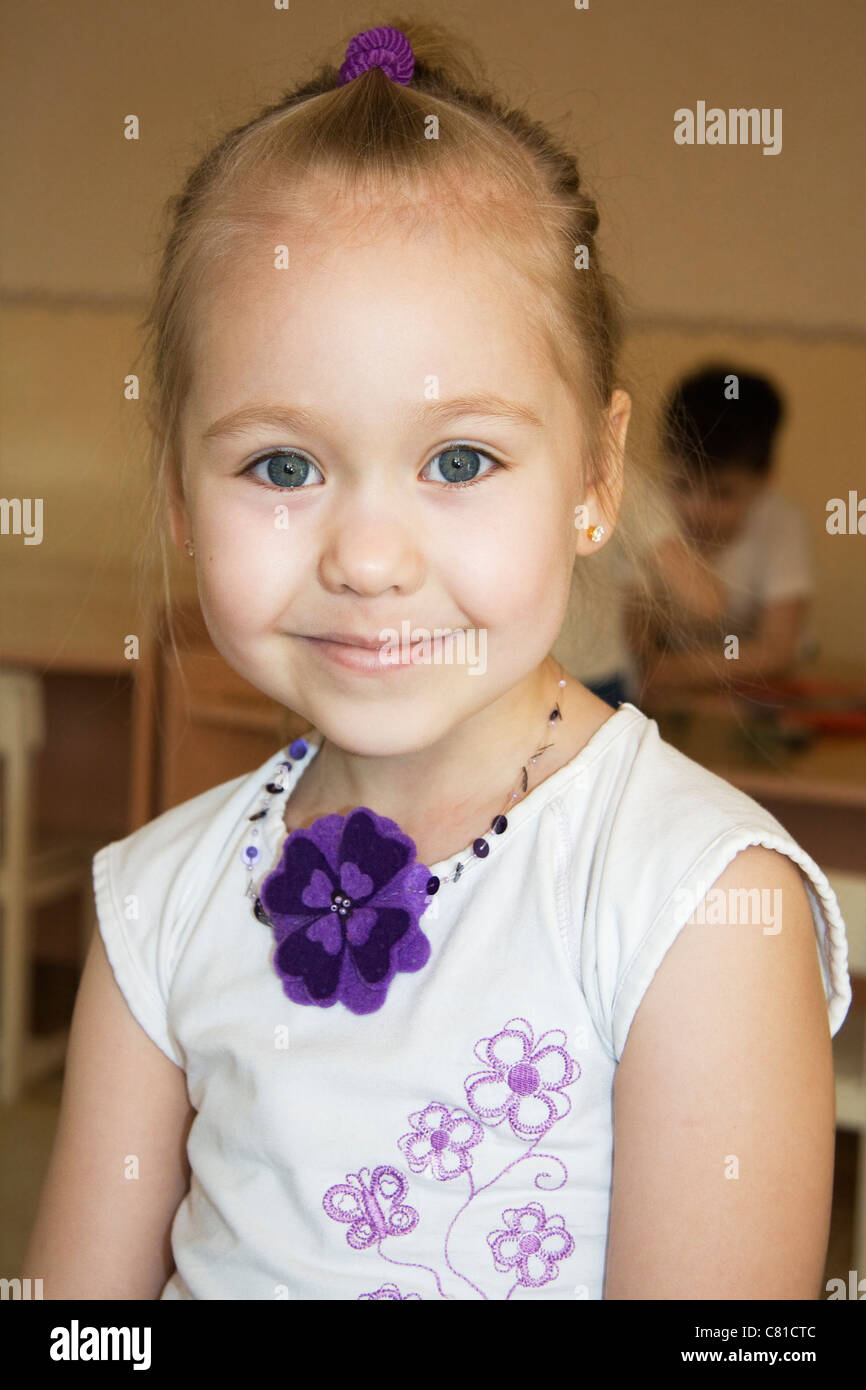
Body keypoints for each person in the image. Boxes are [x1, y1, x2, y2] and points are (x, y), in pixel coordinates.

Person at [23, 18, 850, 1301]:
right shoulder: (159, 904)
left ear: (591, 474)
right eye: (280, 465)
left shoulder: (695, 908)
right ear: (179, 495)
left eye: (459, 460)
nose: (366, 555)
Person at [633, 364, 817, 702]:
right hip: (667, 700)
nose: (697, 509)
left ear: (765, 480)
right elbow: (633, 643)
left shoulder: (780, 523)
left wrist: (673, 672)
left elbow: (779, 649)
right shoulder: (645, 513)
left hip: (757, 694)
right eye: (682, 485)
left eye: (722, 493)